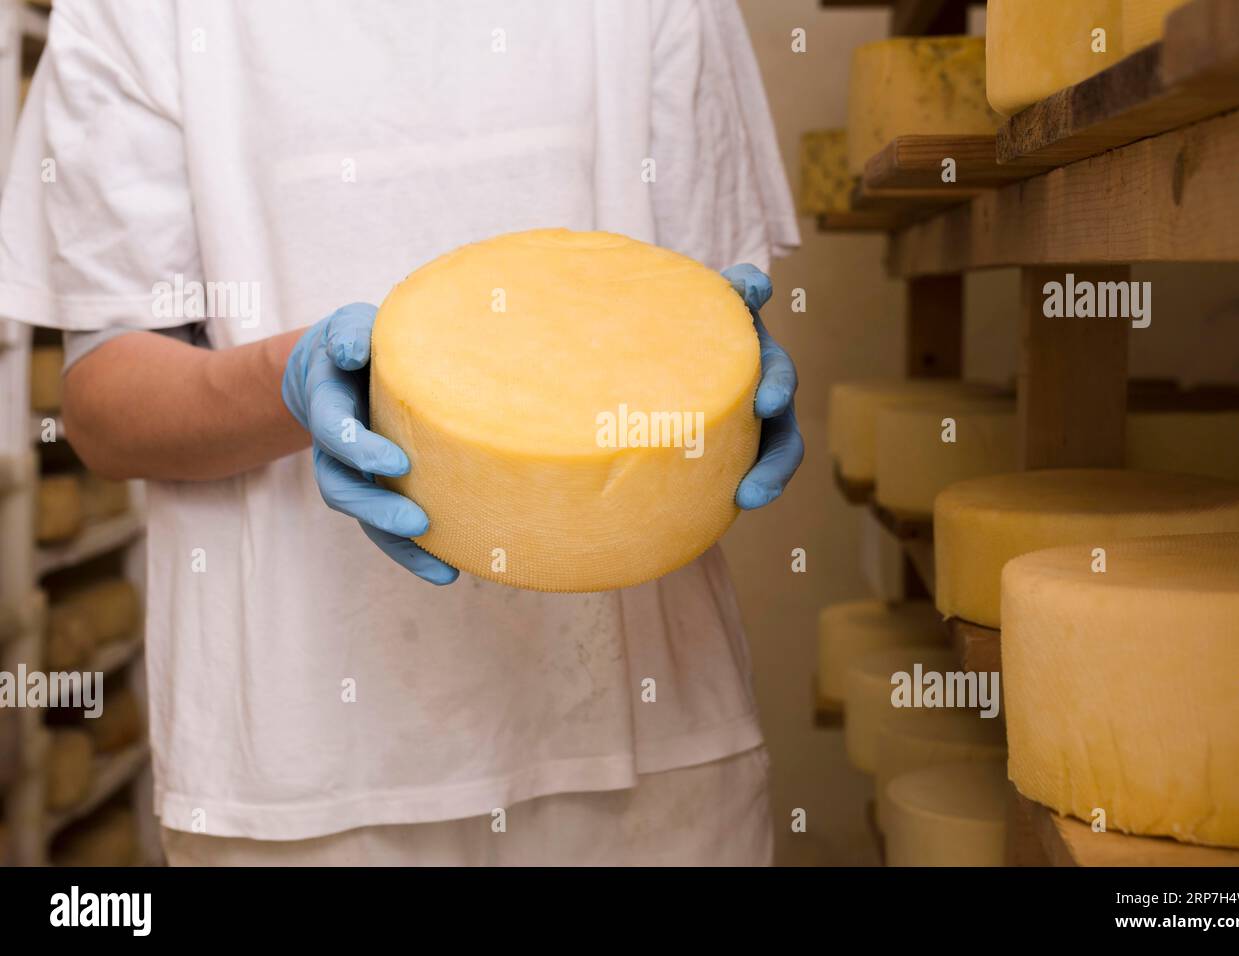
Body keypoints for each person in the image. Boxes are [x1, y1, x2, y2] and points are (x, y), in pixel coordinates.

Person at [0, 0, 802, 865]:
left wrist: (729, 395)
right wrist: (286, 382)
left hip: (652, 748)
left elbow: (702, 313)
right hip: (303, 777)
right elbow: (105, 405)